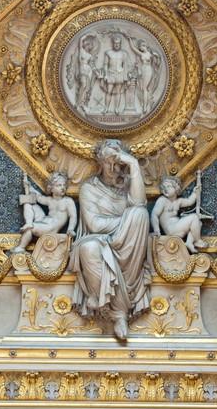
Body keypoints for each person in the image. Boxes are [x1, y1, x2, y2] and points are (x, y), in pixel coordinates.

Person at [70, 139, 151, 340]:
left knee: (140, 214)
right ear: (100, 163)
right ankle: (117, 313)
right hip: (97, 240)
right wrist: (126, 223)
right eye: (108, 161)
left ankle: (121, 308)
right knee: (88, 248)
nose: (113, 166)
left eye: (118, 161)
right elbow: (95, 225)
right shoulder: (89, 188)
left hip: (128, 246)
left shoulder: (127, 187)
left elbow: (139, 204)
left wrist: (133, 164)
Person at [14, 172, 77, 251]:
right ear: (51, 188)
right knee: (29, 202)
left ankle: (21, 247)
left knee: (30, 229)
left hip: (50, 228)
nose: (63, 187)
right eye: (59, 185)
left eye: (64, 185)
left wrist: (70, 229)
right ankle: (28, 222)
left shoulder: (68, 201)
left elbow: (73, 216)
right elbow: (39, 197)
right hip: (44, 220)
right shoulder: (50, 200)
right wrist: (29, 187)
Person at [151, 175, 205, 253]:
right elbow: (154, 215)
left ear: (176, 188)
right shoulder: (162, 200)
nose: (165, 189)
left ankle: (189, 243)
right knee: (194, 217)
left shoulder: (178, 201)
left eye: (169, 186)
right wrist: (156, 230)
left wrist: (194, 192)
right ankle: (197, 241)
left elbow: (190, 201)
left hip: (178, 228)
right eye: (163, 187)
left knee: (198, 223)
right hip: (171, 229)